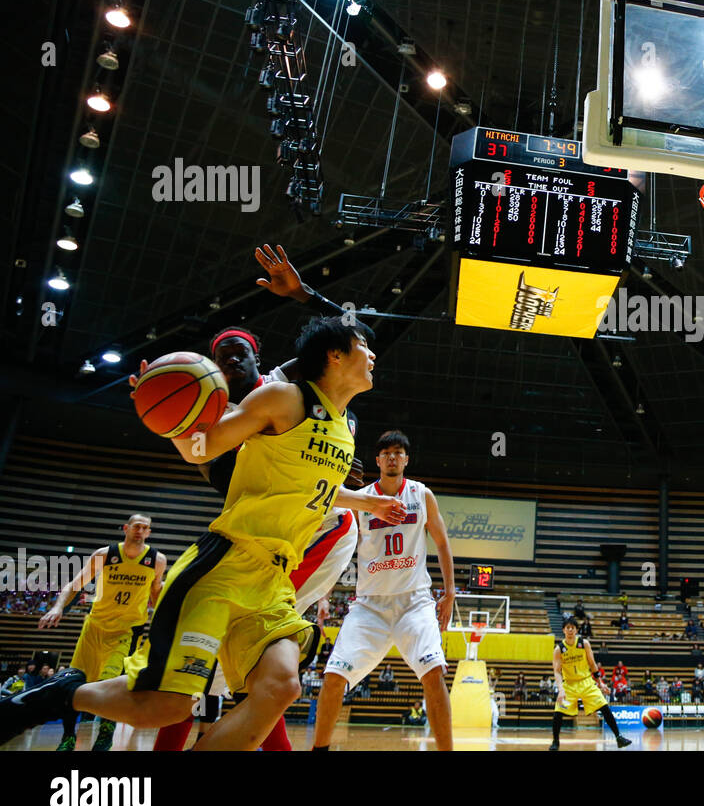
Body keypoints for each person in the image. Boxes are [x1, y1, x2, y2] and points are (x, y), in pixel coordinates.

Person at [0, 316, 404, 750]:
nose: (374, 355)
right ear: (335, 354)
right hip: (223, 567)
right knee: (167, 706)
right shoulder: (283, 399)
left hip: (270, 582)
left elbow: (313, 487)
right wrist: (170, 412)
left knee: (282, 685)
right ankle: (55, 696)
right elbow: (204, 447)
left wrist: (368, 502)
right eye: (364, 345)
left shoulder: (342, 426)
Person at [313, 430, 456, 751]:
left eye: (398, 452)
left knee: (434, 674)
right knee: (334, 677)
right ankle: (318, 748)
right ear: (377, 460)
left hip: (415, 603)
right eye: (386, 453)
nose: (392, 457)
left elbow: (443, 542)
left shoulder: (422, 495)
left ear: (406, 459)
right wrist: (323, 595)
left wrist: (450, 592)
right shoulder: (360, 499)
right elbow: (339, 547)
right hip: (369, 607)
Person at [38, 514, 166, 751]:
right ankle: (68, 737)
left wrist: (164, 618)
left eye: (145, 528)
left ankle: (106, 734)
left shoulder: (156, 560)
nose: (140, 531)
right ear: (126, 528)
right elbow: (76, 584)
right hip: (95, 627)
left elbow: (156, 592)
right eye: (136, 526)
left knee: (112, 680)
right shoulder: (104, 555)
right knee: (75, 681)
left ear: (149, 533)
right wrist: (58, 607)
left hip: (128, 630)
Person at [549, 617, 631, 750]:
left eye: (572, 627)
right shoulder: (559, 649)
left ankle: (619, 737)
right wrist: (561, 689)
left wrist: (601, 683)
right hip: (569, 684)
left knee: (604, 707)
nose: (570, 630)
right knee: (558, 712)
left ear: (576, 630)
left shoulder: (584, 643)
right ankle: (555, 742)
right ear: (563, 630)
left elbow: (593, 665)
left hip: (586, 681)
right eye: (567, 627)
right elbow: (557, 671)